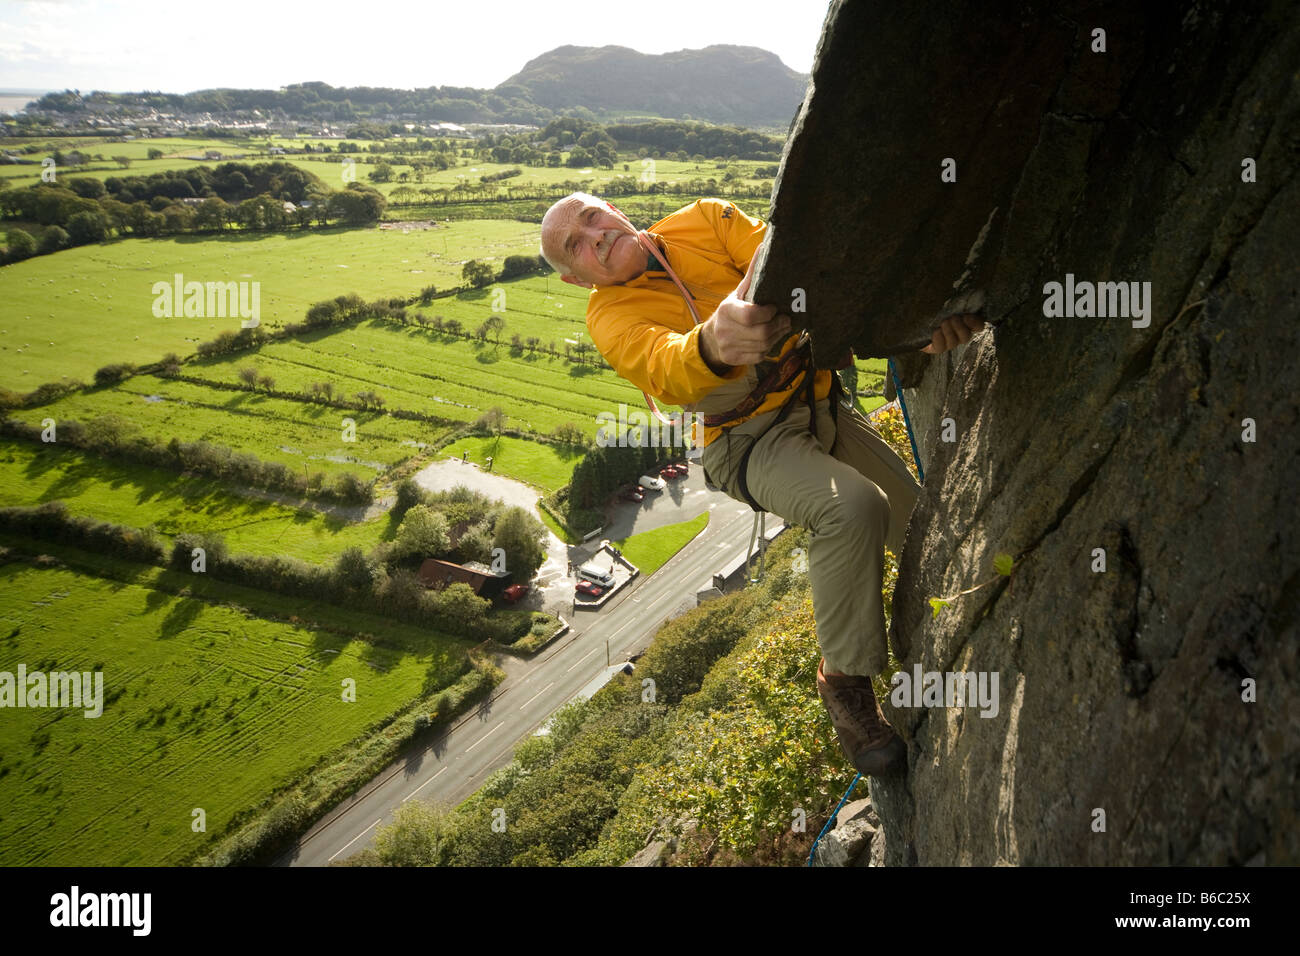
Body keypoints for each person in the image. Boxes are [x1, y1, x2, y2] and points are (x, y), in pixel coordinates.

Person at [539, 192, 983, 775]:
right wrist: (713, 343)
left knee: (929, 530)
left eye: (592, 217)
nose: (593, 235)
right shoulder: (609, 317)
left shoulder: (704, 219)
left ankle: (968, 625)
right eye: (576, 243)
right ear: (577, 281)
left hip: (813, 399)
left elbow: (801, 275)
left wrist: (917, 331)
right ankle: (844, 680)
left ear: (616, 210)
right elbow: (666, 366)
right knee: (852, 508)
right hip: (746, 442)